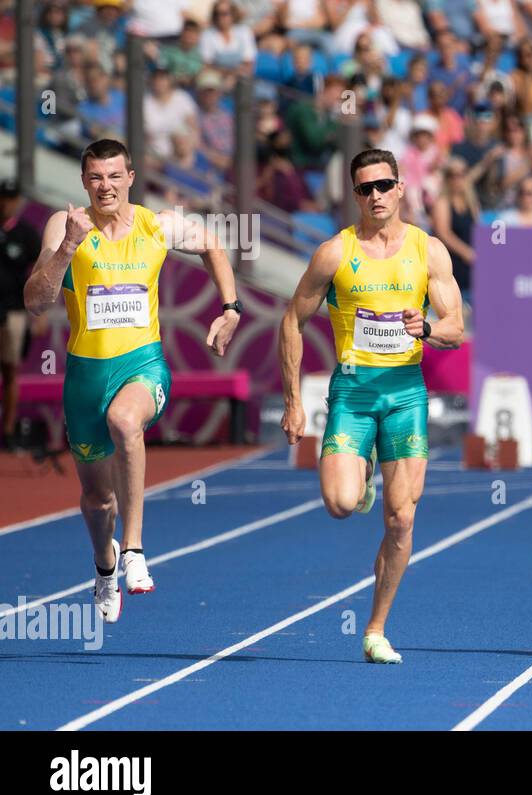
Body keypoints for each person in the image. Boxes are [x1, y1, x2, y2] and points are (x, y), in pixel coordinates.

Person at [22, 140, 241, 622]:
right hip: (85, 377)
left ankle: (136, 549)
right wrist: (68, 248)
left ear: (131, 178)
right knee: (98, 501)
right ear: (83, 183)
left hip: (142, 365)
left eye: (114, 176)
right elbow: (35, 301)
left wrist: (230, 308)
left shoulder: (156, 225)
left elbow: (213, 244)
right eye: (96, 177)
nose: (106, 186)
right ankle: (105, 565)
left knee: (125, 421)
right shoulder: (65, 226)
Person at [279, 149, 464, 664]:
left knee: (401, 520)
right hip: (355, 393)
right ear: (354, 195)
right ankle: (360, 482)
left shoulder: (429, 252)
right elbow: (292, 321)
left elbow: (456, 328)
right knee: (340, 504)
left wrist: (425, 327)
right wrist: (294, 401)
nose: (376, 196)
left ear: (401, 187)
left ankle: (376, 629)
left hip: (405, 393)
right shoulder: (334, 254)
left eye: (384, 185)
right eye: (365, 189)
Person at [0, 181, 42, 448]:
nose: (5, 203)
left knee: (11, 372)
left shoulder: (26, 233)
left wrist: (39, 312)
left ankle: (9, 431)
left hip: (14, 311)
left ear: (17, 202)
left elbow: (41, 272)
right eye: (2, 197)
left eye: (10, 198)